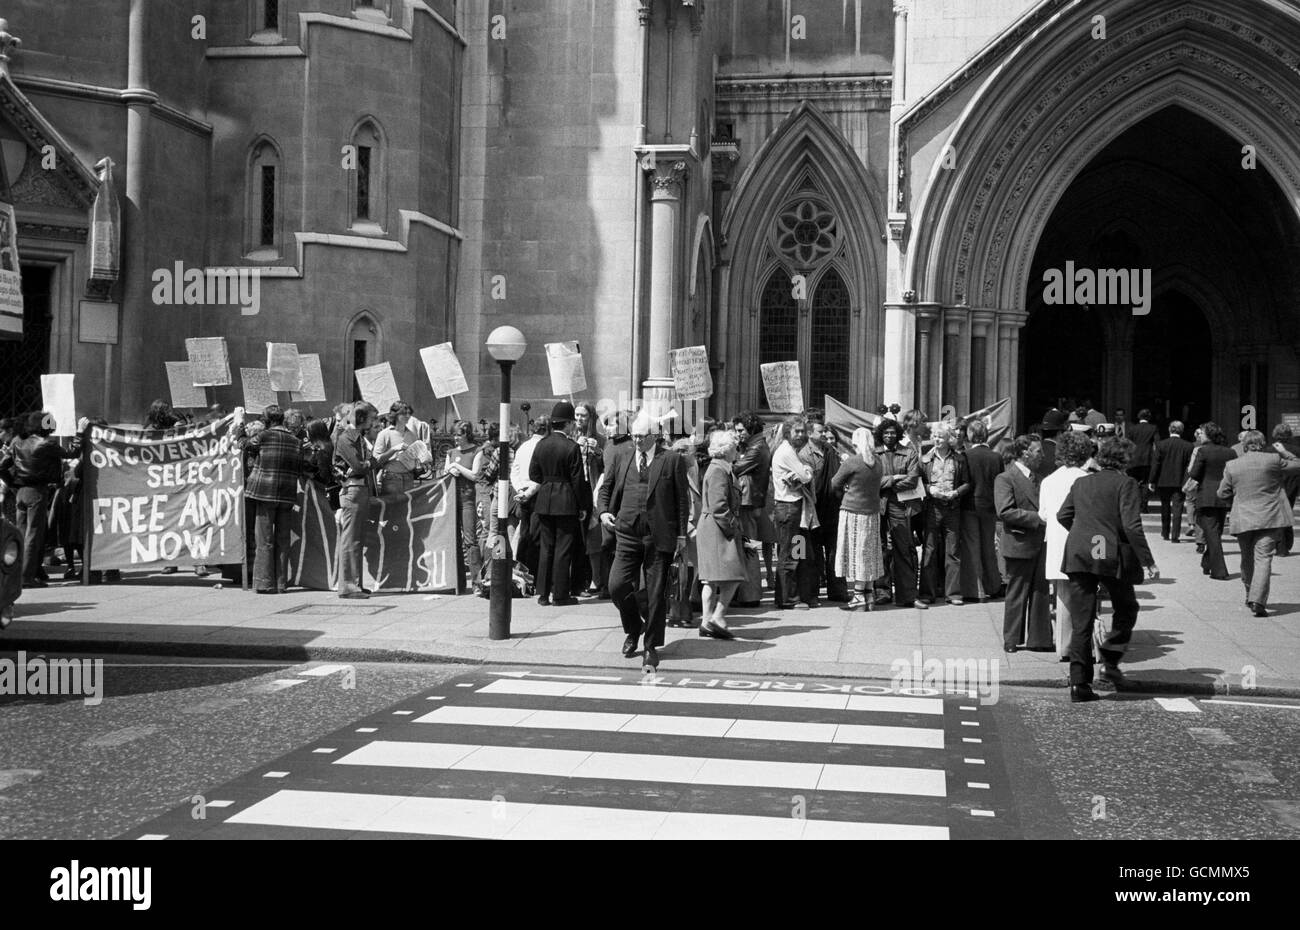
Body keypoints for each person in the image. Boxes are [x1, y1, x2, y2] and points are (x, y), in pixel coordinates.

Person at [1057, 438, 1158, 702]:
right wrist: (1148, 560)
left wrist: (1082, 534)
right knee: (1126, 606)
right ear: (1125, 460)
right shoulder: (1126, 484)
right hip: (1109, 554)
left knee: (1082, 620)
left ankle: (1079, 684)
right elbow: (1132, 526)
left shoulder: (1081, 482)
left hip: (1081, 553)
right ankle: (1110, 659)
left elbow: (1062, 515)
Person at [600, 409, 690, 671]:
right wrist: (604, 510)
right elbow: (606, 488)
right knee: (616, 585)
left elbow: (681, 500)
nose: (637, 441)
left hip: (658, 534)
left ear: (655, 436)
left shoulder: (671, 460)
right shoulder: (623, 456)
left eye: (642, 436)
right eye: (634, 436)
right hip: (626, 531)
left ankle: (650, 646)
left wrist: (682, 535)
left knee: (655, 593)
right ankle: (633, 627)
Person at [1217, 430, 1300, 616]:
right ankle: (1258, 600)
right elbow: (1298, 464)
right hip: (1270, 516)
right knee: (1263, 558)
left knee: (1246, 557)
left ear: (1244, 445)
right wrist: (1284, 451)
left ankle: (1250, 593)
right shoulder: (1273, 460)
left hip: (1243, 517)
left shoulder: (1232, 465)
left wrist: (1236, 499)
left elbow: (1222, 493)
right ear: (1263, 444)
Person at [333, 402, 402, 598]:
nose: (375, 422)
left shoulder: (359, 439)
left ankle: (355, 583)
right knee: (351, 539)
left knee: (358, 539)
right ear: (362, 419)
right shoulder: (346, 438)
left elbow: (367, 463)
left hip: (361, 489)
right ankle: (348, 586)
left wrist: (370, 462)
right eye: (372, 419)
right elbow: (360, 466)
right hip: (353, 489)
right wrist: (370, 462)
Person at [1038, 430, 1093, 660]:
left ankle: (1064, 646)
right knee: (1088, 597)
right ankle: (1085, 645)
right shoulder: (1087, 479)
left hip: (1058, 542)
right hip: (1084, 543)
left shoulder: (1049, 481)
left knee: (1063, 597)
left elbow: (1042, 514)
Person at [994, 434, 1051, 652]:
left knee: (1040, 593)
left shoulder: (1040, 478)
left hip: (1040, 543)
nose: (1042, 456)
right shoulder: (1006, 478)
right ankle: (1011, 639)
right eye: (1038, 452)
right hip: (1019, 543)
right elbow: (1005, 511)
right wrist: (1038, 519)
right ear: (1025, 453)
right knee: (1017, 594)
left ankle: (1039, 639)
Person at [529, 402, 588, 607]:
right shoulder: (571, 447)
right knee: (564, 549)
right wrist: (582, 506)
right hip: (566, 502)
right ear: (569, 424)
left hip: (545, 500)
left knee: (547, 548)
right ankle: (561, 594)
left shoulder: (541, 444)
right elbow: (578, 480)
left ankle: (543, 594)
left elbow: (533, 475)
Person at [245, 404, 305, 594]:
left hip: (264, 491)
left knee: (264, 538)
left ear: (268, 420)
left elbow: (243, 445)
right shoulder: (295, 440)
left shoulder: (264, 436)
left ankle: (264, 582)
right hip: (287, 492)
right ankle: (281, 583)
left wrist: (239, 427)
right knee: (282, 538)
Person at [695, 429, 745, 640]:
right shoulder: (719, 470)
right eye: (735, 448)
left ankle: (707, 622)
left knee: (710, 579)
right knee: (733, 575)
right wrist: (733, 527)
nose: (737, 452)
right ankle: (717, 616)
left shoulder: (718, 467)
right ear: (728, 450)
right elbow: (719, 506)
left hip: (712, 526)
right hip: (718, 528)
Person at [830, 426, 884, 612]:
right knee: (869, 552)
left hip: (853, 510)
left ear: (855, 442)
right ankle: (869, 594)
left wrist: (847, 483)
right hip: (873, 512)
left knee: (856, 553)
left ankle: (858, 596)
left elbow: (834, 483)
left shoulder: (852, 462)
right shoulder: (878, 462)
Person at [917, 422, 970, 606]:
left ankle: (953, 593)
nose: (937, 440)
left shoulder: (960, 459)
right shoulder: (925, 459)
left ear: (949, 439)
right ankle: (926, 593)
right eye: (936, 436)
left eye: (941, 437)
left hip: (952, 508)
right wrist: (930, 489)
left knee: (953, 551)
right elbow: (918, 483)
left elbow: (967, 483)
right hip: (932, 508)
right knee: (929, 550)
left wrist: (956, 493)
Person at [771, 415, 819, 609]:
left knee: (797, 552)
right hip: (788, 508)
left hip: (795, 509)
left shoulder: (791, 450)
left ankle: (795, 595)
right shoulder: (786, 452)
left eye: (803, 431)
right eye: (796, 431)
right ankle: (787, 599)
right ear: (787, 432)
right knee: (789, 554)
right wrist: (806, 470)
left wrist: (804, 470)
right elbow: (805, 476)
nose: (800, 435)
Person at [876, 418, 924, 609]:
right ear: (881, 435)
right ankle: (882, 592)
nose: (889, 436)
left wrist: (886, 484)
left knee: (903, 548)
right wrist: (893, 479)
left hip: (900, 505)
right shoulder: (873, 453)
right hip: (878, 504)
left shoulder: (908, 453)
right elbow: (870, 480)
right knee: (879, 549)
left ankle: (907, 595)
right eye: (886, 433)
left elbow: (913, 480)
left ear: (898, 434)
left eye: (893, 433)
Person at [732, 411, 775, 606]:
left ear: (751, 428)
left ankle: (750, 595)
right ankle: (746, 593)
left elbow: (736, 468)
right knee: (746, 547)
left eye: (740, 430)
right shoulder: (754, 445)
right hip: (749, 502)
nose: (738, 433)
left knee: (748, 548)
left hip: (748, 503)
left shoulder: (757, 448)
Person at [959, 418, 1005, 601]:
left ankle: (976, 590)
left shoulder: (966, 456)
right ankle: (993, 585)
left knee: (972, 547)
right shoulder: (996, 457)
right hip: (989, 506)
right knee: (988, 546)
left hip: (969, 505)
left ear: (970, 435)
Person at [1187, 421, 1236, 581]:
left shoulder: (1203, 451)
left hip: (1207, 495)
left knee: (1212, 534)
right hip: (1224, 496)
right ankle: (1207, 562)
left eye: (1202, 433)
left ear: (1209, 434)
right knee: (1215, 532)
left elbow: (1194, 473)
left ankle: (1219, 570)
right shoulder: (1230, 452)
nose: (1200, 436)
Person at [445, 421, 486, 596]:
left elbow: (475, 475)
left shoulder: (477, 451)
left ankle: (477, 582)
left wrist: (457, 467)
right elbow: (446, 471)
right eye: (454, 435)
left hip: (468, 499)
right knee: (453, 540)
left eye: (459, 435)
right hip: (452, 499)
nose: (456, 439)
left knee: (470, 539)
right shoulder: (451, 452)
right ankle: (457, 581)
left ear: (467, 435)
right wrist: (450, 469)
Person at [509, 416, 549, 579]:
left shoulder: (523, 447)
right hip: (537, 493)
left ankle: (521, 570)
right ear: (546, 429)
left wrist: (520, 490)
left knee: (525, 534)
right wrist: (529, 492)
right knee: (536, 536)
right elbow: (542, 476)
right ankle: (533, 573)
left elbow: (514, 472)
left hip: (523, 492)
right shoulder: (544, 447)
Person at [1148, 419, 1194, 542]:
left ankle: (1165, 532)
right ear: (1182, 431)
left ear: (1169, 429)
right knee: (1178, 508)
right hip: (1180, 481)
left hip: (1163, 481)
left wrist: (1152, 480)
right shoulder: (1188, 446)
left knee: (1165, 507)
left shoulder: (1161, 444)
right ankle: (1175, 535)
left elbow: (1156, 464)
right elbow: (1189, 466)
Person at [374, 401, 421, 496]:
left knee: (407, 508)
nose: (408, 416)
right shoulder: (384, 434)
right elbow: (376, 460)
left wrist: (420, 460)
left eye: (409, 413)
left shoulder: (412, 435)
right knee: (392, 509)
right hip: (392, 478)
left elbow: (416, 457)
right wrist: (394, 449)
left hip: (409, 478)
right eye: (404, 413)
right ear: (395, 414)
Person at [1273, 423, 1300, 555]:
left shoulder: (1270, 449)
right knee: (1287, 511)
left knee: (1277, 515)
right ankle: (1287, 543)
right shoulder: (1297, 449)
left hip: (1275, 485)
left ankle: (1281, 545)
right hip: (1292, 485)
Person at [1126, 409, 1159, 512]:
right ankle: (1143, 506)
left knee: (1134, 482)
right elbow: (1157, 443)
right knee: (1145, 483)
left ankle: (1134, 505)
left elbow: (1128, 444)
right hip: (1147, 459)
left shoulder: (1132, 429)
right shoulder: (1153, 428)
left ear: (1139, 417)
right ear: (1149, 417)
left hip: (1134, 459)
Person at [302, 418, 339, 509]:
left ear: (313, 432)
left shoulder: (322, 451)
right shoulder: (330, 446)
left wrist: (310, 473)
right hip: (336, 489)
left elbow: (324, 475)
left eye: (307, 430)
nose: (306, 433)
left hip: (325, 492)